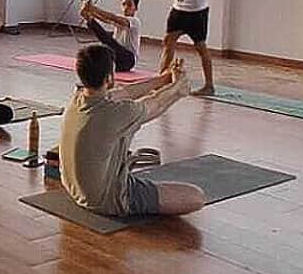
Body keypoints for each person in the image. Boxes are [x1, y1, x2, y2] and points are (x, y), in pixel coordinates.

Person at [60, 44, 205, 218]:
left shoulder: (78, 99)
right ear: (109, 78)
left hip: (75, 190)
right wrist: (179, 87)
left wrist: (165, 79)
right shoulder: (115, 113)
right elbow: (155, 104)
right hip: (108, 199)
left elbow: (127, 92)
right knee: (196, 196)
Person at [79, 0, 142, 72]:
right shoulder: (119, 20)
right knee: (101, 48)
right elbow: (105, 19)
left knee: (108, 40)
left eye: (129, 5)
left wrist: (92, 8)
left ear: (135, 8)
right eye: (123, 4)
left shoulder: (135, 21)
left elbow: (113, 18)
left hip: (128, 60)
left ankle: (89, 20)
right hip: (116, 57)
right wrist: (88, 13)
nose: (126, 7)